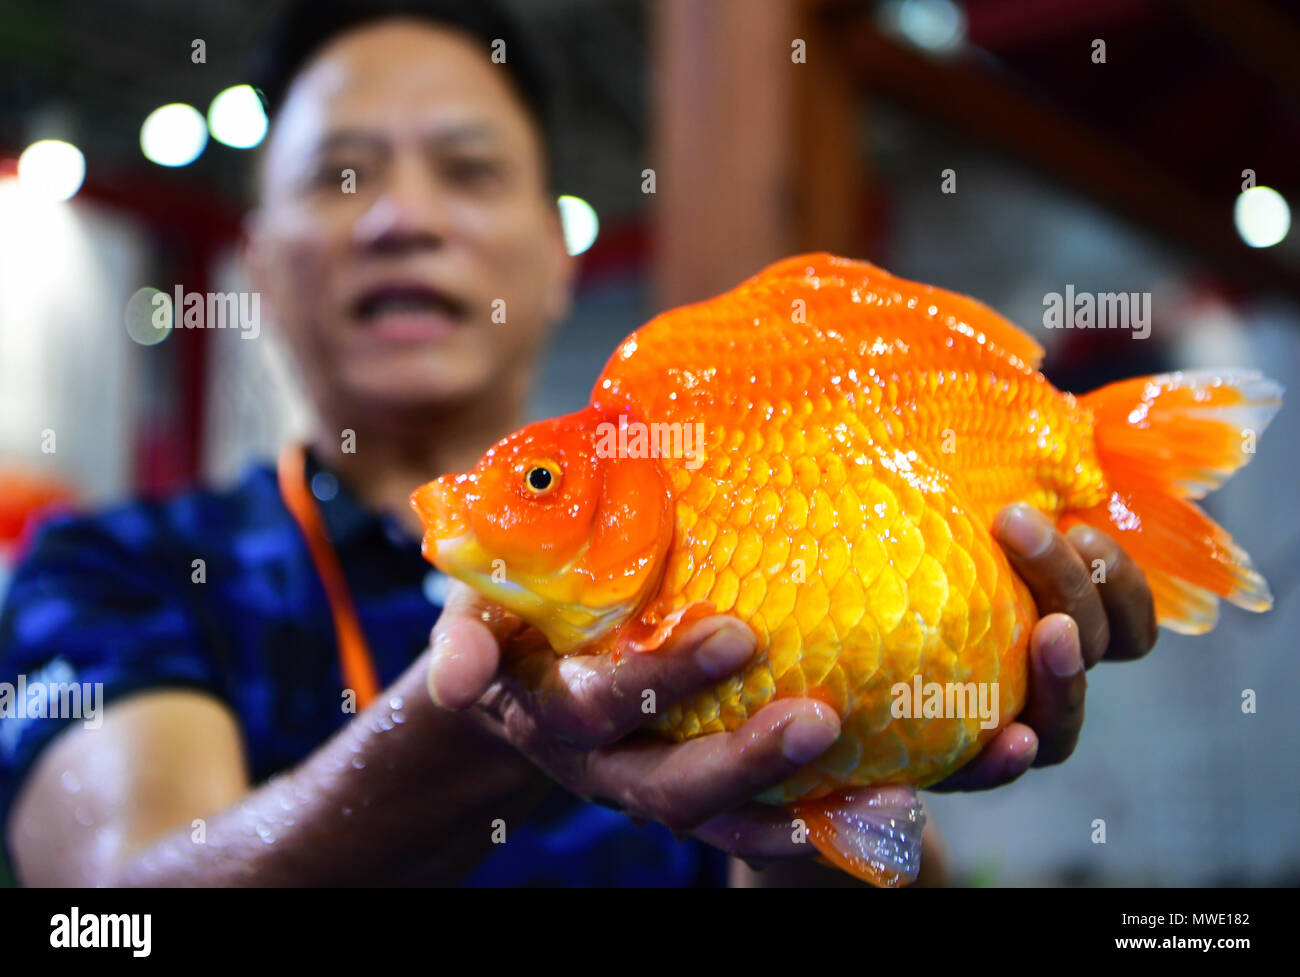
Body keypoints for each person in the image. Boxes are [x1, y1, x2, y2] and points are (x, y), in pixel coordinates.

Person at [0, 0, 1156, 887]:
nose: (404, 216)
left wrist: (863, 750)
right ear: (255, 263)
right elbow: (110, 907)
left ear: (560, 259)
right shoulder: (106, 568)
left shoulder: (703, 488)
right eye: (343, 174)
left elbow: (893, 858)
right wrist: (476, 733)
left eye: (468, 168)